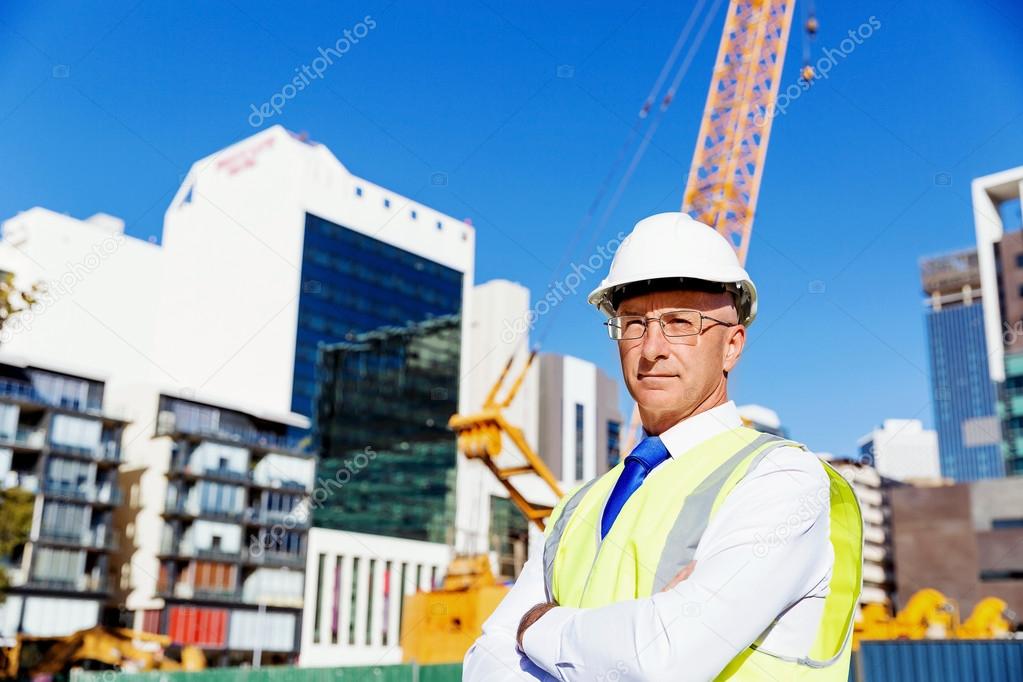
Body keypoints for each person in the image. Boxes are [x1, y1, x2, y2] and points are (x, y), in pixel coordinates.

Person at [463, 212, 862, 681]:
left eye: (680, 322)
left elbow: (662, 660)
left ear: (732, 345)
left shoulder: (781, 480)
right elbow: (485, 666)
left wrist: (536, 626)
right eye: (633, 323)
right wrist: (627, 636)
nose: (651, 348)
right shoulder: (578, 505)